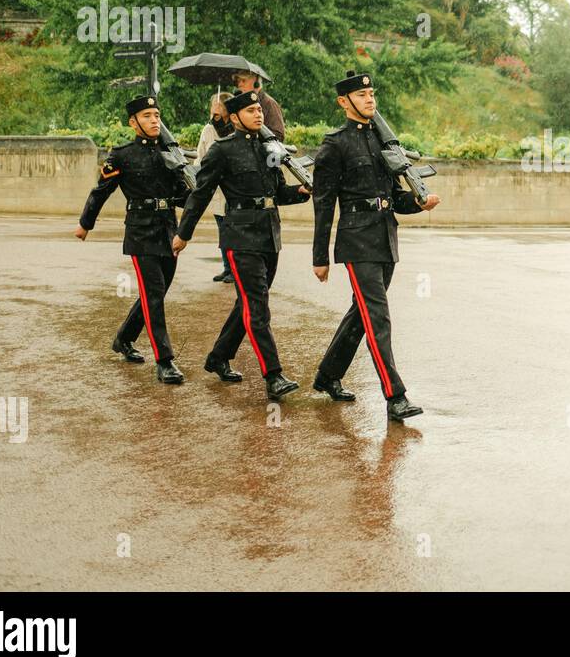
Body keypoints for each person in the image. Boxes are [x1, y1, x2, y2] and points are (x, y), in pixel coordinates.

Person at [310, 71, 441, 420]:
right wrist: (320, 256)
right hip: (356, 240)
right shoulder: (334, 145)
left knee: (362, 314)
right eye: (361, 94)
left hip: (385, 235)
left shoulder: (385, 142)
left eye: (371, 93)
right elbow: (323, 204)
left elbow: (396, 197)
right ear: (344, 102)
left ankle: (327, 376)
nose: (370, 99)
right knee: (377, 317)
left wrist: (419, 204)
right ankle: (395, 397)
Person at [173, 90, 312, 399]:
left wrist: (299, 193)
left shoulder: (269, 148)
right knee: (258, 307)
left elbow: (276, 192)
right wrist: (184, 233)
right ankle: (273, 375)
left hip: (269, 235)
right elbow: (201, 193)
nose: (258, 114)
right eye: (250, 111)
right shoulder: (222, 150)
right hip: (240, 236)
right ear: (235, 118)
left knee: (247, 304)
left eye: (259, 109)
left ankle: (219, 356)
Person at [74, 95, 190, 384]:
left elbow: (183, 194)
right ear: (133, 122)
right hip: (140, 233)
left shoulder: (171, 153)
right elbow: (101, 191)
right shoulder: (122, 155)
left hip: (168, 230)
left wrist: (194, 190)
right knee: (154, 295)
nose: (154, 120)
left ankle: (124, 338)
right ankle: (165, 362)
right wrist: (85, 223)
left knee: (157, 293)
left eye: (156, 115)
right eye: (148, 116)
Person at [196, 92, 235, 283]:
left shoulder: (236, 128)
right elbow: (200, 155)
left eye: (219, 105)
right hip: (216, 189)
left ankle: (235, 269)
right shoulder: (208, 130)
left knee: (232, 230)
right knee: (222, 229)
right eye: (213, 105)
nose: (215, 109)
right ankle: (227, 268)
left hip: (233, 189)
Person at [230, 71, 285, 141]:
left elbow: (279, 135)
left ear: (256, 82)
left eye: (243, 81)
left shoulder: (269, 103)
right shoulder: (240, 105)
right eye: (238, 82)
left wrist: (254, 138)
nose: (239, 84)